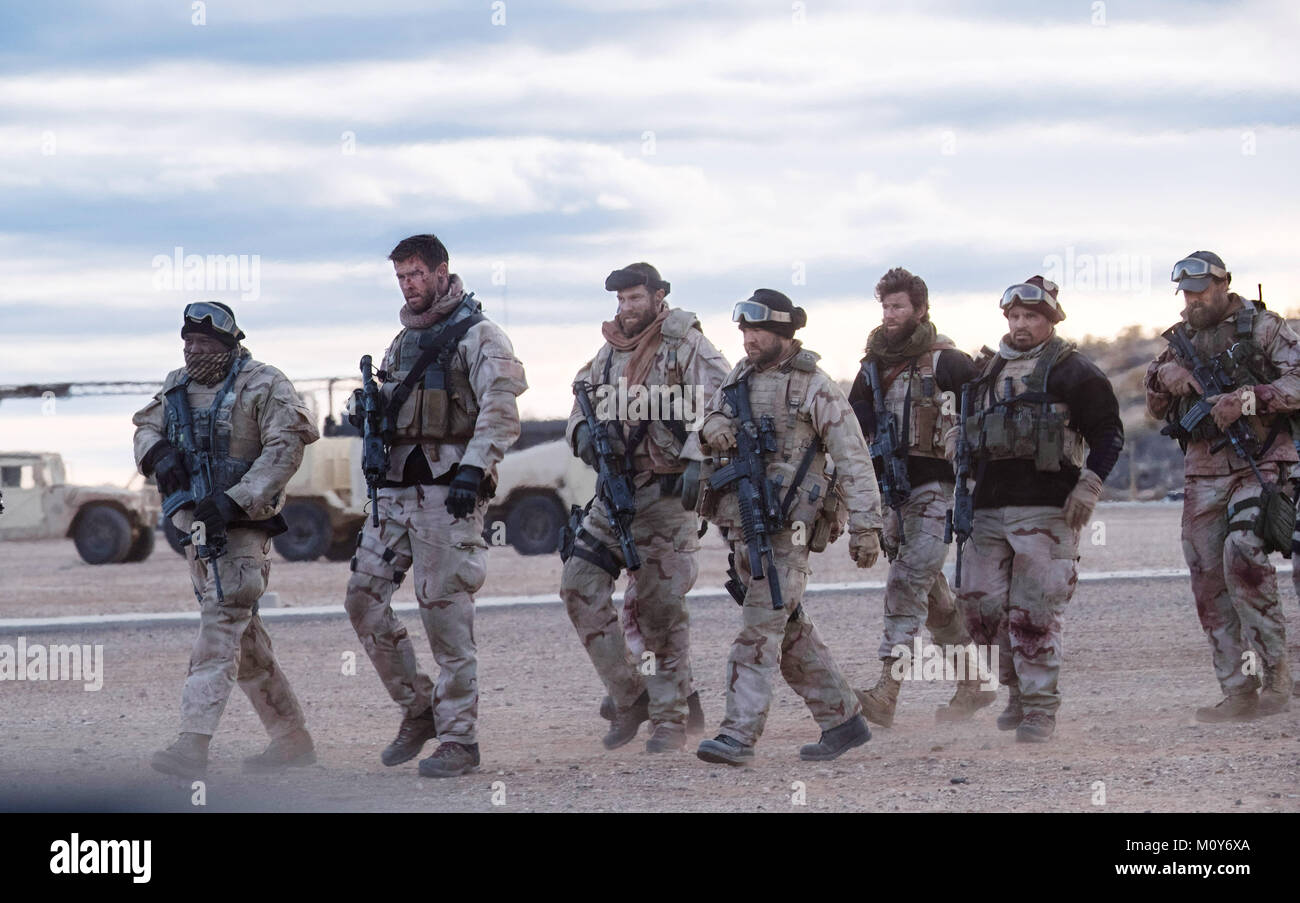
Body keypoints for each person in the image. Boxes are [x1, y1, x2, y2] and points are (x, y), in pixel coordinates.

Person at [342, 234, 527, 777]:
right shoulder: (403, 340)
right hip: (394, 493)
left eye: (417, 274)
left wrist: (475, 466)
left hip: (449, 494)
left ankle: (459, 739)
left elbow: (501, 406)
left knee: (444, 617)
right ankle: (418, 708)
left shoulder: (480, 335)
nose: (409, 285)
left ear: (443, 271)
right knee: (362, 599)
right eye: (401, 277)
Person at [690, 289, 883, 765]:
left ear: (782, 333)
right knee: (790, 629)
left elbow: (854, 457)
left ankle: (738, 735)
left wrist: (867, 526)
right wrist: (713, 426)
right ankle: (843, 721)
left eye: (756, 331)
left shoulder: (815, 387)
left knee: (758, 631)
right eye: (743, 330)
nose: (747, 339)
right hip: (743, 525)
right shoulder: (741, 376)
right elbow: (710, 414)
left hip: (788, 532)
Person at [134, 301, 318, 778]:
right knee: (248, 644)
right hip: (196, 530)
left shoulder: (264, 383)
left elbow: (286, 448)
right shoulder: (177, 384)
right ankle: (291, 739)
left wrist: (238, 499)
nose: (194, 350)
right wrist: (156, 453)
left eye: (204, 343)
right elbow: (146, 425)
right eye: (188, 342)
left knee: (219, 630)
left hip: (241, 531)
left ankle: (192, 744)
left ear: (229, 342)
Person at [560, 263, 731, 752]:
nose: (627, 309)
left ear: (659, 297)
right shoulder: (609, 352)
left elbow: (728, 401)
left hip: (667, 496)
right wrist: (582, 436)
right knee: (578, 586)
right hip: (615, 495)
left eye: (636, 299)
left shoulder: (687, 346)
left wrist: (699, 454)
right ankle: (630, 695)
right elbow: (579, 403)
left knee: (660, 613)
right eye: (621, 300)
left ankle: (671, 722)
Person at [955, 277, 1123, 742]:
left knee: (1034, 612)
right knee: (980, 609)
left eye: (1031, 317)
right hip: (987, 508)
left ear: (1050, 320)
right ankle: (1016, 691)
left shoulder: (1074, 371)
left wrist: (1089, 485)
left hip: (1048, 509)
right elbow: (965, 431)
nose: (1022, 324)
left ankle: (1039, 710)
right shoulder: (985, 372)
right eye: (1015, 316)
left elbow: (1109, 432)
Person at [1146, 251, 1296, 720]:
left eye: (1200, 289)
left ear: (1223, 283)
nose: (1192, 299)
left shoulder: (1264, 328)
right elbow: (1153, 402)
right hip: (1202, 472)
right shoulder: (1181, 340)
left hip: (1261, 463)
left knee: (1243, 553)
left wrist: (1250, 399)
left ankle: (1276, 676)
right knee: (1207, 577)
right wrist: (1165, 377)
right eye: (1185, 292)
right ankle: (1237, 689)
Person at [847, 267, 982, 726]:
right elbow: (851, 428)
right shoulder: (871, 368)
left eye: (898, 306)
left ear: (920, 309)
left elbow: (983, 417)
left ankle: (886, 692)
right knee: (935, 598)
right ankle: (974, 681)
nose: (889, 315)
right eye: (884, 306)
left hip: (938, 491)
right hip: (894, 496)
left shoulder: (947, 362)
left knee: (906, 584)